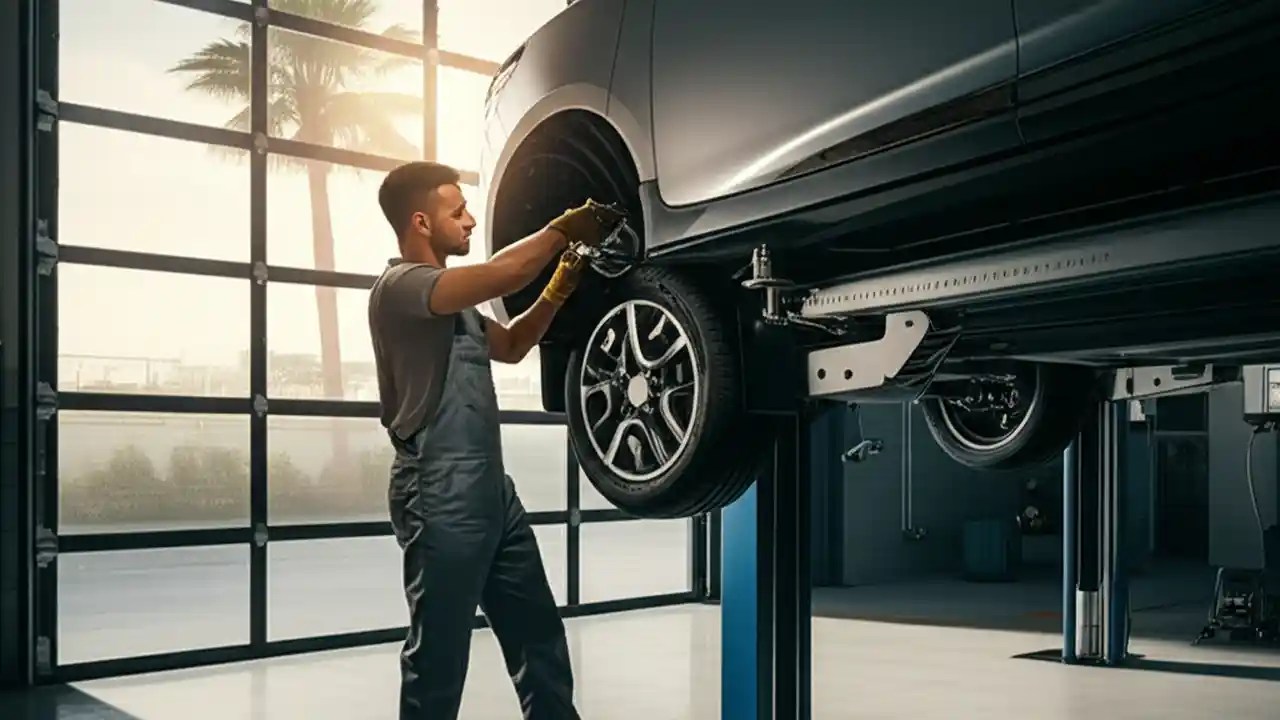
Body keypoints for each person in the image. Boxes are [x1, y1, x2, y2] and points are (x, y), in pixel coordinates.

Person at [368, 160, 624, 719]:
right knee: (438, 657)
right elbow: (506, 274)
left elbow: (510, 345)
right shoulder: (402, 288)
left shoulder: (455, 306)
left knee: (538, 638)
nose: (468, 222)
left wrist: (557, 289)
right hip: (436, 491)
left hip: (490, 491)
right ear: (420, 222)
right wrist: (563, 229)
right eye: (456, 212)